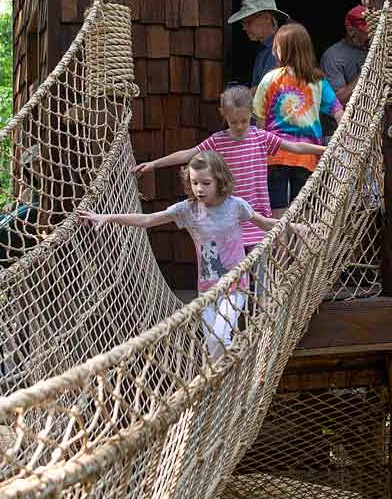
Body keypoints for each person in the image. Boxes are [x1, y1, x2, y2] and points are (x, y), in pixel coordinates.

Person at [78, 151, 280, 359]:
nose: (199, 188)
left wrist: (296, 227)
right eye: (195, 183)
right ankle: (225, 383)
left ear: (220, 181)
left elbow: (264, 223)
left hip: (235, 285)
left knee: (220, 336)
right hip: (207, 289)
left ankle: (233, 376)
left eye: (206, 183)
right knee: (212, 344)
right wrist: (108, 217)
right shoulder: (187, 210)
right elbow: (149, 219)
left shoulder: (235, 206)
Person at [134, 85, 326, 249]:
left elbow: (294, 146)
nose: (240, 126)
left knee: (261, 269)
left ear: (251, 114)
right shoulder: (218, 141)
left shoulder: (260, 137)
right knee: (235, 270)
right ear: (223, 116)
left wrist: (323, 149)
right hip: (230, 218)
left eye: (244, 121)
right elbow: (188, 153)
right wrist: (154, 164)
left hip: (258, 216)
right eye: (234, 122)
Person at [253, 23, 343, 216]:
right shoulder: (317, 80)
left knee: (278, 211)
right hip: (308, 155)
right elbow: (338, 111)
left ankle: (280, 245)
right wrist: (346, 136)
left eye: (276, 47)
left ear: (282, 50)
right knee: (300, 210)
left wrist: (259, 151)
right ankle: (294, 245)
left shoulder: (270, 79)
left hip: (275, 153)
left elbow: (259, 118)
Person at [228, 0, 288, 90]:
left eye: (248, 22)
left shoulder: (278, 48)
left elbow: (266, 89)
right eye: (243, 23)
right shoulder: (265, 46)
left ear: (267, 18)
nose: (244, 28)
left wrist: (239, 96)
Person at [320, 4, 371, 106]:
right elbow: (337, 101)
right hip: (349, 120)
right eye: (367, 31)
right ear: (351, 30)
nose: (371, 34)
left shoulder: (375, 47)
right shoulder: (332, 57)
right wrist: (365, 72)